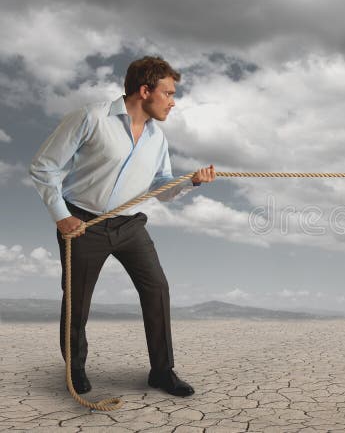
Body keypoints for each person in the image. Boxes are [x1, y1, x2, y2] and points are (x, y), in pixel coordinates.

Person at [30, 56, 216, 397]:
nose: (173, 101)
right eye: (169, 93)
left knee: (157, 290)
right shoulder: (91, 117)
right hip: (82, 224)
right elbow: (44, 167)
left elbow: (161, 187)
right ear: (145, 91)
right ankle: (75, 371)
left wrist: (192, 182)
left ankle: (162, 372)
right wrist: (61, 215)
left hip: (130, 227)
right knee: (77, 303)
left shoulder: (157, 138)